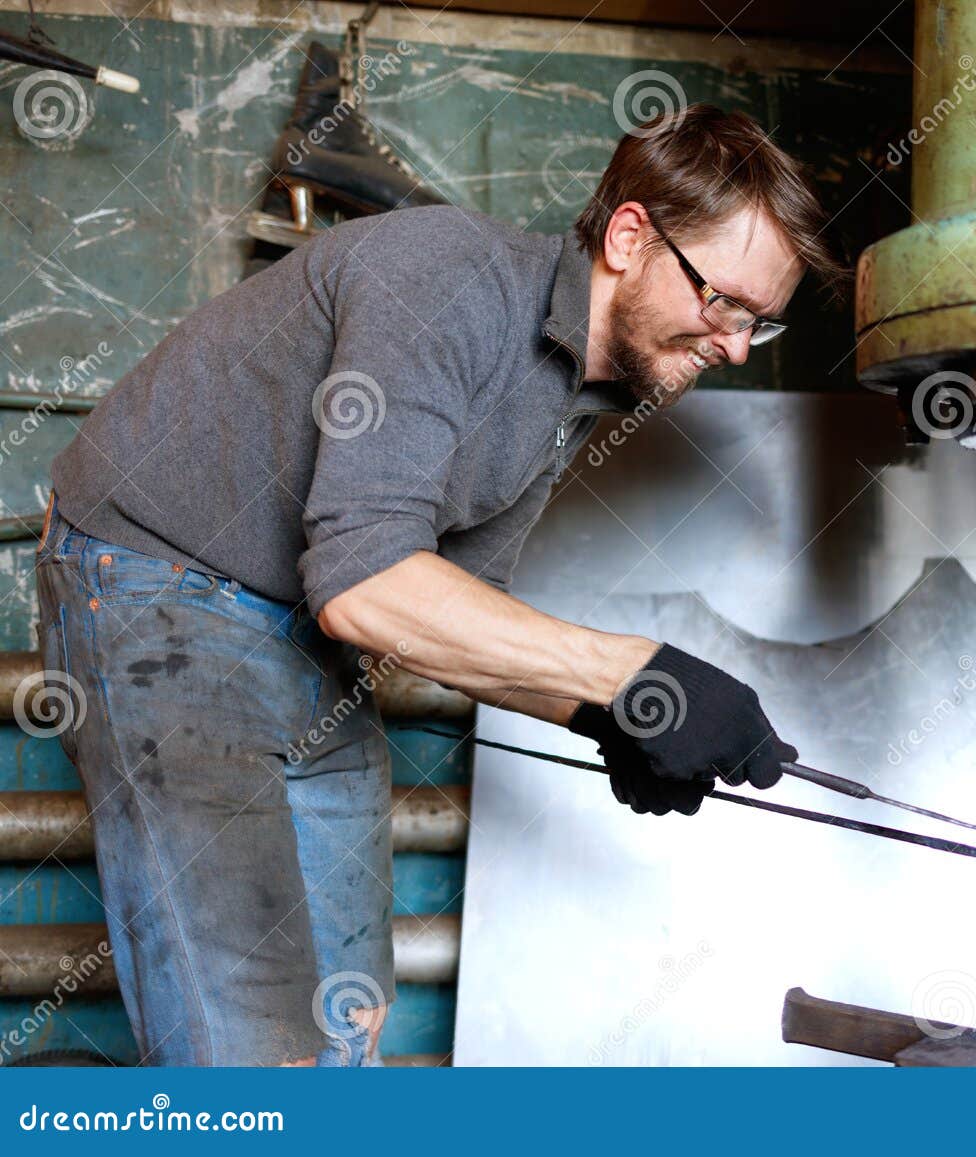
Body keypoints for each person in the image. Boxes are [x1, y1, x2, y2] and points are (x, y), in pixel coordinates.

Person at [32, 103, 846, 1066]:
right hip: (152, 587)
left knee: (348, 1028)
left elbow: (435, 611)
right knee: (254, 1053)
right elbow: (367, 585)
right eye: (726, 303)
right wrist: (627, 670)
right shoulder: (445, 278)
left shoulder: (579, 390)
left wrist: (611, 718)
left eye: (760, 319)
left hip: (301, 637)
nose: (738, 344)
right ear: (630, 236)